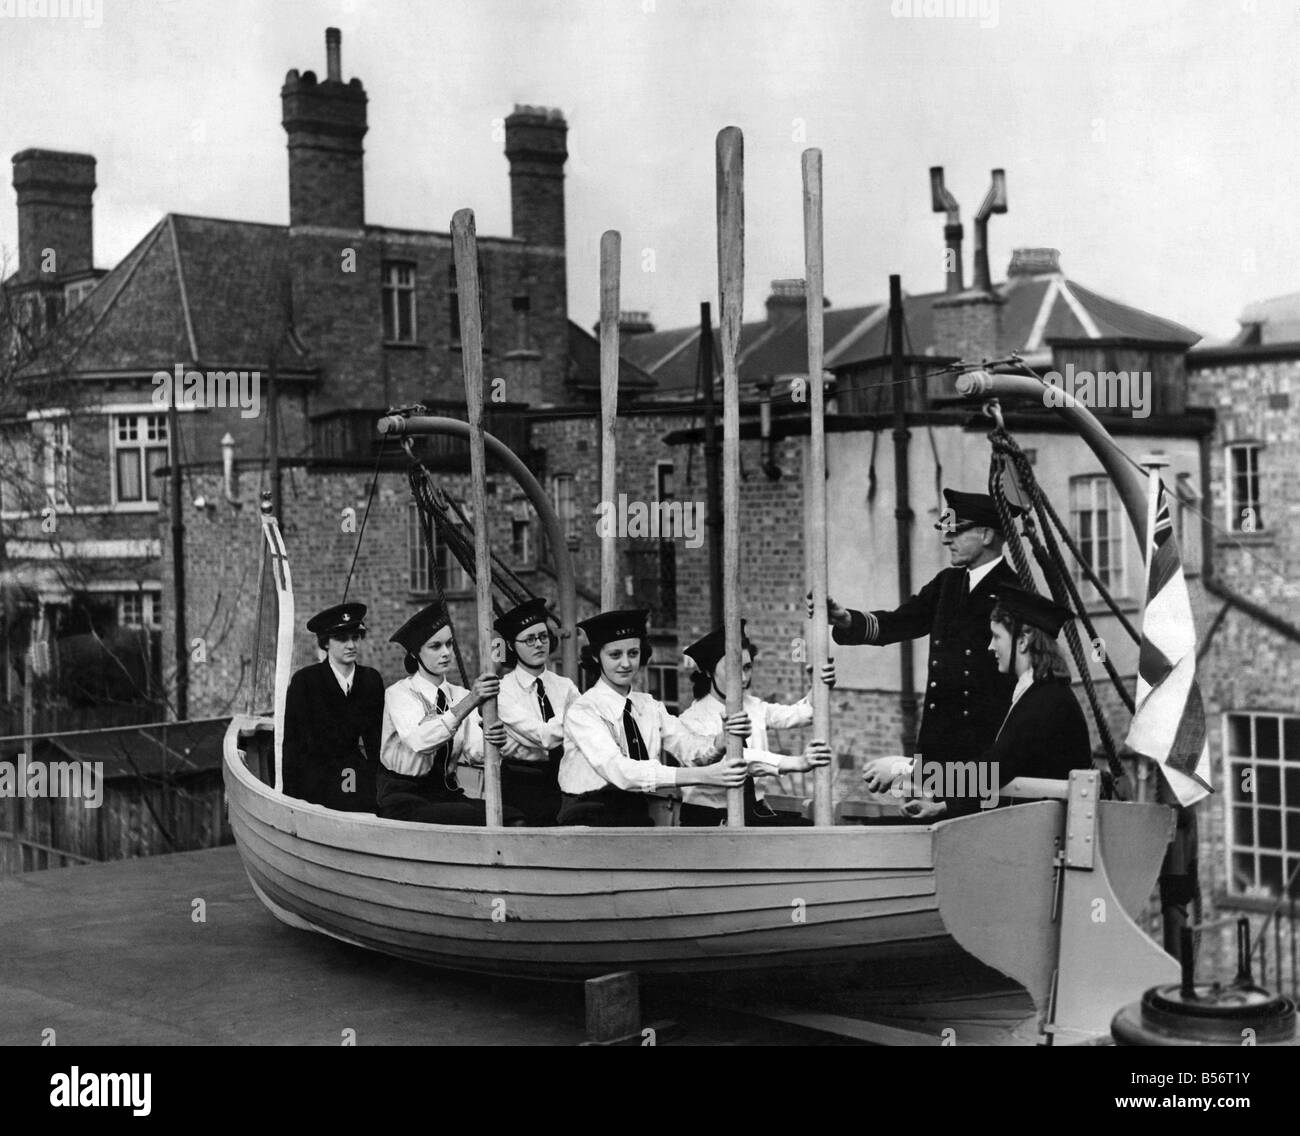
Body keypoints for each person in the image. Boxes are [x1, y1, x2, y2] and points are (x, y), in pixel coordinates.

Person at [820, 488, 1022, 785]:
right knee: (920, 821)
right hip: (936, 742)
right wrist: (848, 620)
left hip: (983, 749)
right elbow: (900, 622)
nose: (946, 539)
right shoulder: (947, 584)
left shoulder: (1013, 592)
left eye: (956, 531)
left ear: (987, 536)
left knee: (963, 827)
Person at [864, 586, 1093, 819]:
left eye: (996, 636)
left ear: (1023, 641)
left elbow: (989, 773)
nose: (990, 647)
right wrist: (944, 808)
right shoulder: (1040, 692)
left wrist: (904, 770)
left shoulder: (1046, 702)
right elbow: (1003, 773)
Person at [557, 609, 750, 827]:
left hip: (636, 812)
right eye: (615, 655)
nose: (626, 663)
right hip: (585, 818)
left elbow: (687, 747)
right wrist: (703, 775)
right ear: (595, 657)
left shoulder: (649, 706)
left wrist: (719, 743)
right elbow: (620, 771)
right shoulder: (583, 711)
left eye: (633, 653)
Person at [378, 601, 525, 826]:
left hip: (444, 792)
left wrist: (496, 738)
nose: (446, 653)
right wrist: (470, 702)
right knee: (476, 819)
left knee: (514, 816)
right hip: (402, 797)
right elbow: (420, 740)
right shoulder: (399, 694)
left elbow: (476, 753)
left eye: (449, 644)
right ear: (416, 653)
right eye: (435, 646)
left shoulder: (459, 694)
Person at [677, 621, 835, 826]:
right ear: (708, 672)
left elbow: (800, 714)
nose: (743, 678)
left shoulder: (753, 706)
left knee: (805, 830)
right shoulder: (693, 719)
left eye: (747, 667)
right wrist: (795, 762)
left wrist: (820, 684)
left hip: (753, 811)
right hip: (710, 817)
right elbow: (742, 760)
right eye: (733, 668)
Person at [281, 602, 384, 812]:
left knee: (371, 807)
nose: (351, 645)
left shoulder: (370, 679)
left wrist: (381, 785)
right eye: (342, 639)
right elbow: (293, 744)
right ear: (326, 643)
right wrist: (291, 800)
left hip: (353, 770)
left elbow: (376, 741)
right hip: (315, 775)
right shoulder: (305, 682)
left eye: (355, 637)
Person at [494, 596, 578, 826]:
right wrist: (573, 722)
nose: (539, 644)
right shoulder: (502, 692)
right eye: (529, 639)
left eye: (543, 637)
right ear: (511, 645)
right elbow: (544, 737)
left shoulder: (565, 686)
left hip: (563, 779)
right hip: (521, 783)